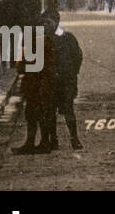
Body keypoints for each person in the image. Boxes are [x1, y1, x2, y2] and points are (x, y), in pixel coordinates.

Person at [40, 11, 84, 151]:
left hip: (66, 81)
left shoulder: (68, 38)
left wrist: (73, 73)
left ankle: (74, 139)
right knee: (50, 111)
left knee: (68, 110)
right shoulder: (43, 39)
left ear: (56, 22)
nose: (45, 26)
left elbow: (78, 56)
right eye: (44, 23)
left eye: (48, 22)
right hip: (51, 81)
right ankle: (54, 139)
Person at [12, 15, 55, 154]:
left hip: (32, 84)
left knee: (31, 114)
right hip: (46, 84)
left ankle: (31, 143)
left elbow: (19, 65)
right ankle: (45, 142)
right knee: (43, 113)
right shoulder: (50, 42)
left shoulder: (32, 43)